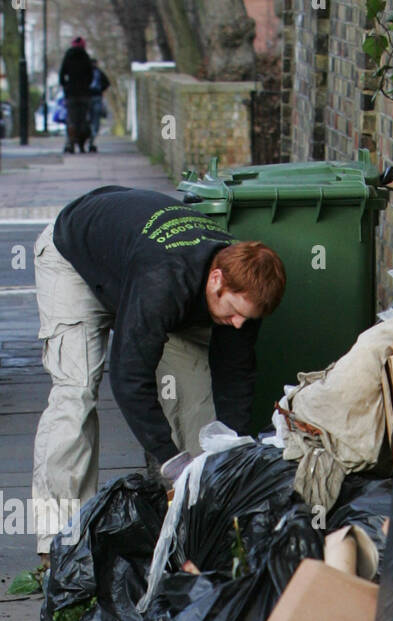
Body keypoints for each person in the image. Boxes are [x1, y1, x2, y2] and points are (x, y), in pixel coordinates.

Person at [29, 186, 287, 564]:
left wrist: (234, 454)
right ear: (216, 279)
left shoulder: (245, 288)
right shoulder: (163, 280)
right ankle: (60, 544)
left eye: (246, 319)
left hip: (136, 269)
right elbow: (129, 375)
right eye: (232, 312)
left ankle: (192, 526)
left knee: (193, 397)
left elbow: (235, 375)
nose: (237, 324)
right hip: (75, 259)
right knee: (77, 390)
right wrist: (170, 460)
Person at [58, 36, 92, 154]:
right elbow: (90, 75)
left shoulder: (68, 56)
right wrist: (86, 86)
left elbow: (62, 74)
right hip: (84, 93)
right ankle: (82, 145)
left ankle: (71, 144)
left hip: (71, 93)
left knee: (71, 120)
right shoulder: (85, 56)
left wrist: (66, 86)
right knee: (83, 120)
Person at [86, 58, 110, 152]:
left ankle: (89, 138)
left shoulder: (86, 73)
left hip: (87, 97)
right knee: (95, 120)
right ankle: (92, 140)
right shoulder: (99, 72)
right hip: (97, 97)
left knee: (88, 119)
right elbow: (107, 83)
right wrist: (100, 90)